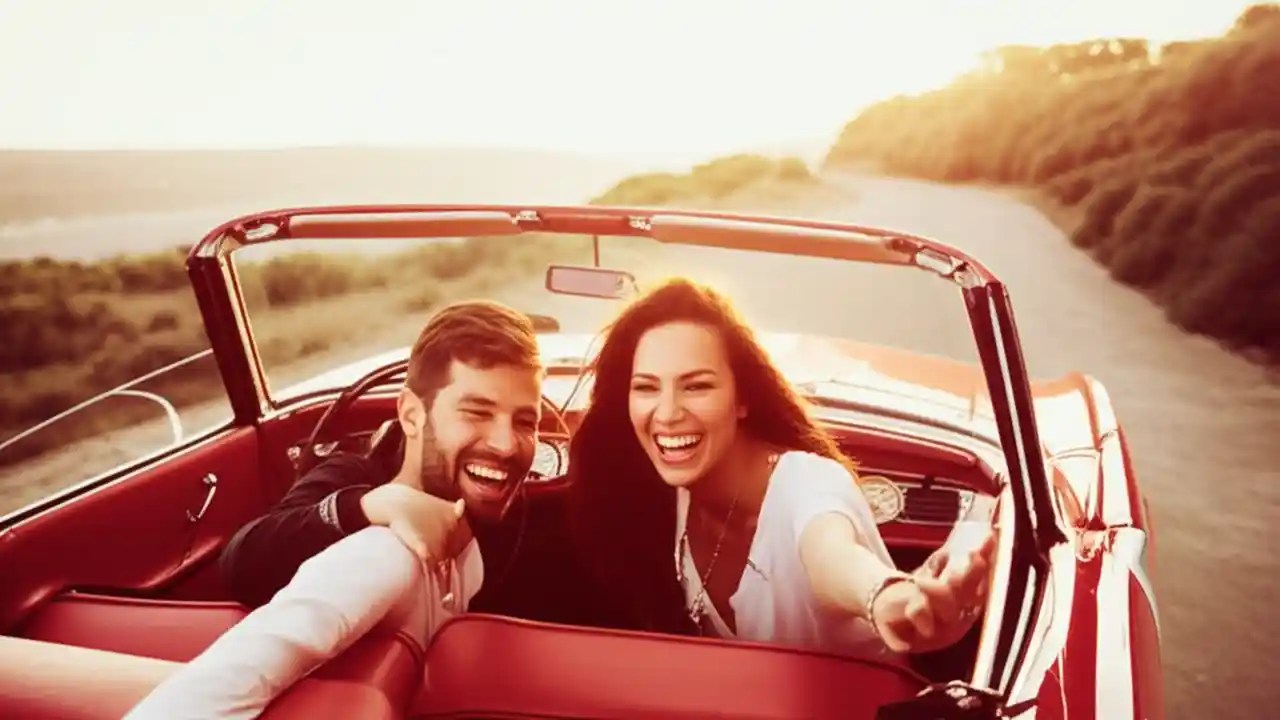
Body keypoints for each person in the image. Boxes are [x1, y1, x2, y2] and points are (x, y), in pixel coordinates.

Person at [126, 300, 557, 718]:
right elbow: (244, 561)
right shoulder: (374, 530)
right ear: (411, 415)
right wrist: (367, 505)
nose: (505, 443)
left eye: (525, 421)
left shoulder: (501, 512)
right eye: (476, 412)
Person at [567, 278, 995, 660]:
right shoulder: (665, 487)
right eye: (646, 388)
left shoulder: (808, 484)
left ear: (742, 399)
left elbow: (832, 556)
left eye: (697, 386)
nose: (667, 413)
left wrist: (888, 596)